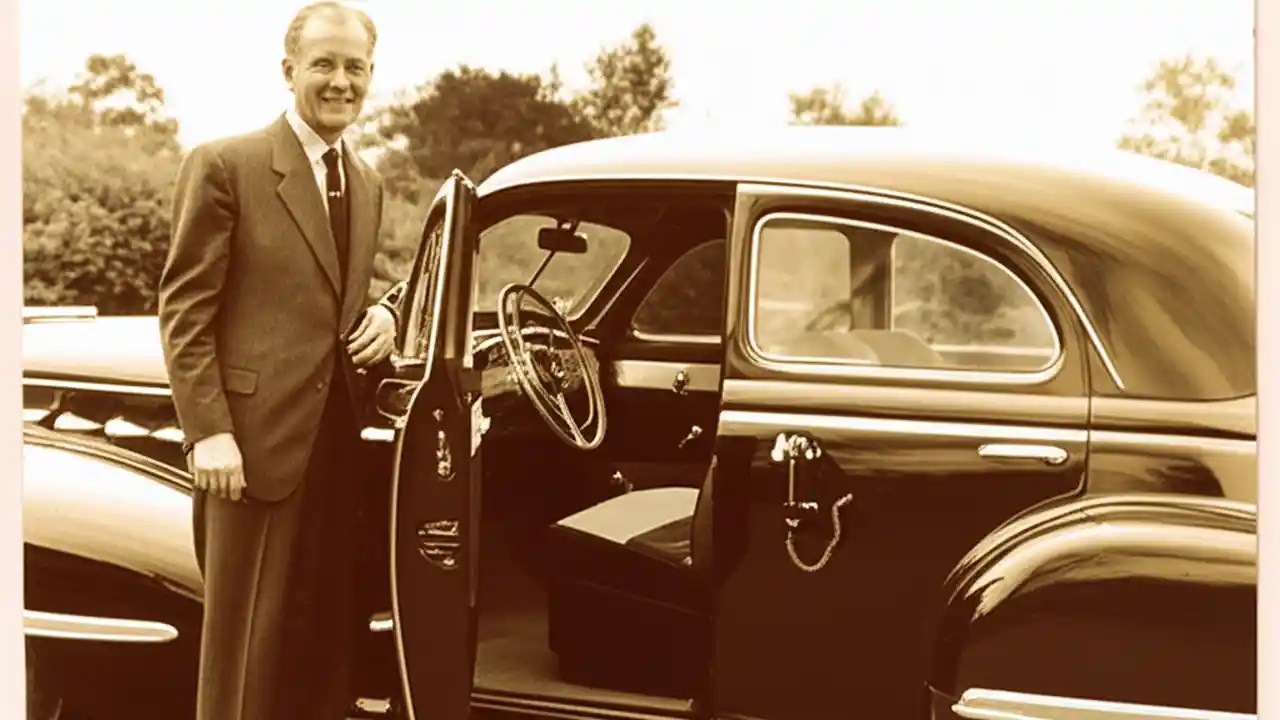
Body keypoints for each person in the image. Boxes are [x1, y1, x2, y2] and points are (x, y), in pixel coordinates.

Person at [157, 2, 401, 717]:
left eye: (355, 67)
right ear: (289, 69)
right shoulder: (225, 165)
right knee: (245, 650)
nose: (340, 81)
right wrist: (209, 432)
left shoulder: (367, 181)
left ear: (371, 75)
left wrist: (386, 313)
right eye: (324, 64)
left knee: (321, 643)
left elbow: (327, 293)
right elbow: (185, 310)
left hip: (335, 448)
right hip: (249, 450)